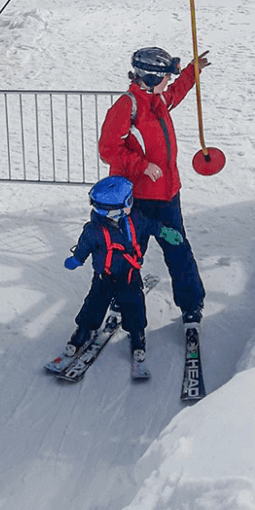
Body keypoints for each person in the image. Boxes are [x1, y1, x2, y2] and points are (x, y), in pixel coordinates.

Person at [98, 46, 209, 328]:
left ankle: (191, 304)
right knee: (131, 251)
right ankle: (121, 298)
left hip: (168, 194)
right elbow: (108, 148)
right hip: (138, 199)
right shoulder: (127, 106)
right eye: (164, 78)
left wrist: (191, 72)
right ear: (148, 78)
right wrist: (141, 166)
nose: (168, 84)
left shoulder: (158, 100)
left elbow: (177, 93)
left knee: (178, 249)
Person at [46, 176, 149, 378]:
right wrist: (76, 259)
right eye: (129, 201)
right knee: (94, 304)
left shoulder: (136, 220)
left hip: (129, 275)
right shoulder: (94, 230)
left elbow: (152, 226)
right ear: (116, 209)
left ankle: (137, 333)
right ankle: (84, 330)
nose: (132, 204)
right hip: (104, 276)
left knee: (134, 303)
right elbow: (84, 246)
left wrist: (165, 232)